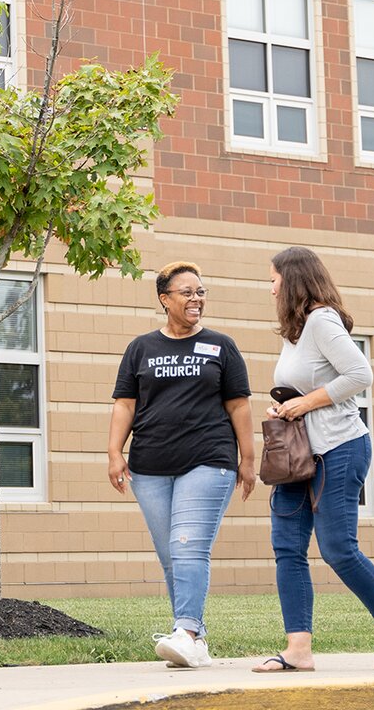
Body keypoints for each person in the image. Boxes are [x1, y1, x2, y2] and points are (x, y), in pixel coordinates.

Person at [254, 245, 374, 673]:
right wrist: (286, 407)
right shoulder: (296, 333)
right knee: (287, 548)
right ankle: (299, 649)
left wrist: (304, 403)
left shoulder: (322, 320)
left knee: (337, 548)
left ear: (291, 280)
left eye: (272, 279)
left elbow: (361, 374)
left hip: (340, 448)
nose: (269, 287)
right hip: (299, 453)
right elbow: (307, 388)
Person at [108, 261, 255, 669]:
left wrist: (248, 459)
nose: (196, 299)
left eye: (201, 292)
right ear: (164, 299)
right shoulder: (141, 348)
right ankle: (196, 640)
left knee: (188, 544)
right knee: (171, 554)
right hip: (150, 465)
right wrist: (114, 452)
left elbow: (239, 404)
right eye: (187, 293)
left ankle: (186, 631)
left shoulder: (221, 346)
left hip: (209, 459)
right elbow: (125, 403)